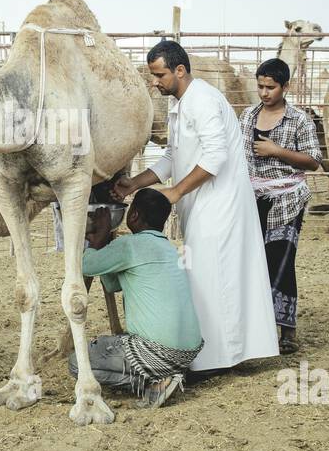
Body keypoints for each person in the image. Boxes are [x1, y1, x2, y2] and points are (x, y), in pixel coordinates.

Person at [112, 40, 279, 372]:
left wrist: (175, 192)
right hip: (202, 203)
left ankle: (219, 358)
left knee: (216, 278)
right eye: (152, 76)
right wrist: (134, 183)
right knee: (206, 277)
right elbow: (173, 157)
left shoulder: (202, 100)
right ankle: (215, 355)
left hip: (219, 204)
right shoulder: (181, 104)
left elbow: (216, 155)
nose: (154, 82)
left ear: (179, 70)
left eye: (159, 75)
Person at [71, 189, 203, 408]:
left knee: (77, 363)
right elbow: (112, 285)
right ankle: (167, 375)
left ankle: (155, 382)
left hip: (155, 352)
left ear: (133, 216)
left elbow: (85, 266)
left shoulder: (129, 245)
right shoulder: (168, 248)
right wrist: (103, 247)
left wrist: (99, 239)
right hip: (188, 354)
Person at [240, 57, 322, 355]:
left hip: (288, 198)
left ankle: (287, 331)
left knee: (281, 259)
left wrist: (277, 151)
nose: (264, 93)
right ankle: (259, 327)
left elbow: (314, 161)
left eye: (271, 87)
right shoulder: (249, 116)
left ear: (285, 87)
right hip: (253, 197)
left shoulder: (299, 119)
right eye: (260, 86)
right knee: (255, 260)